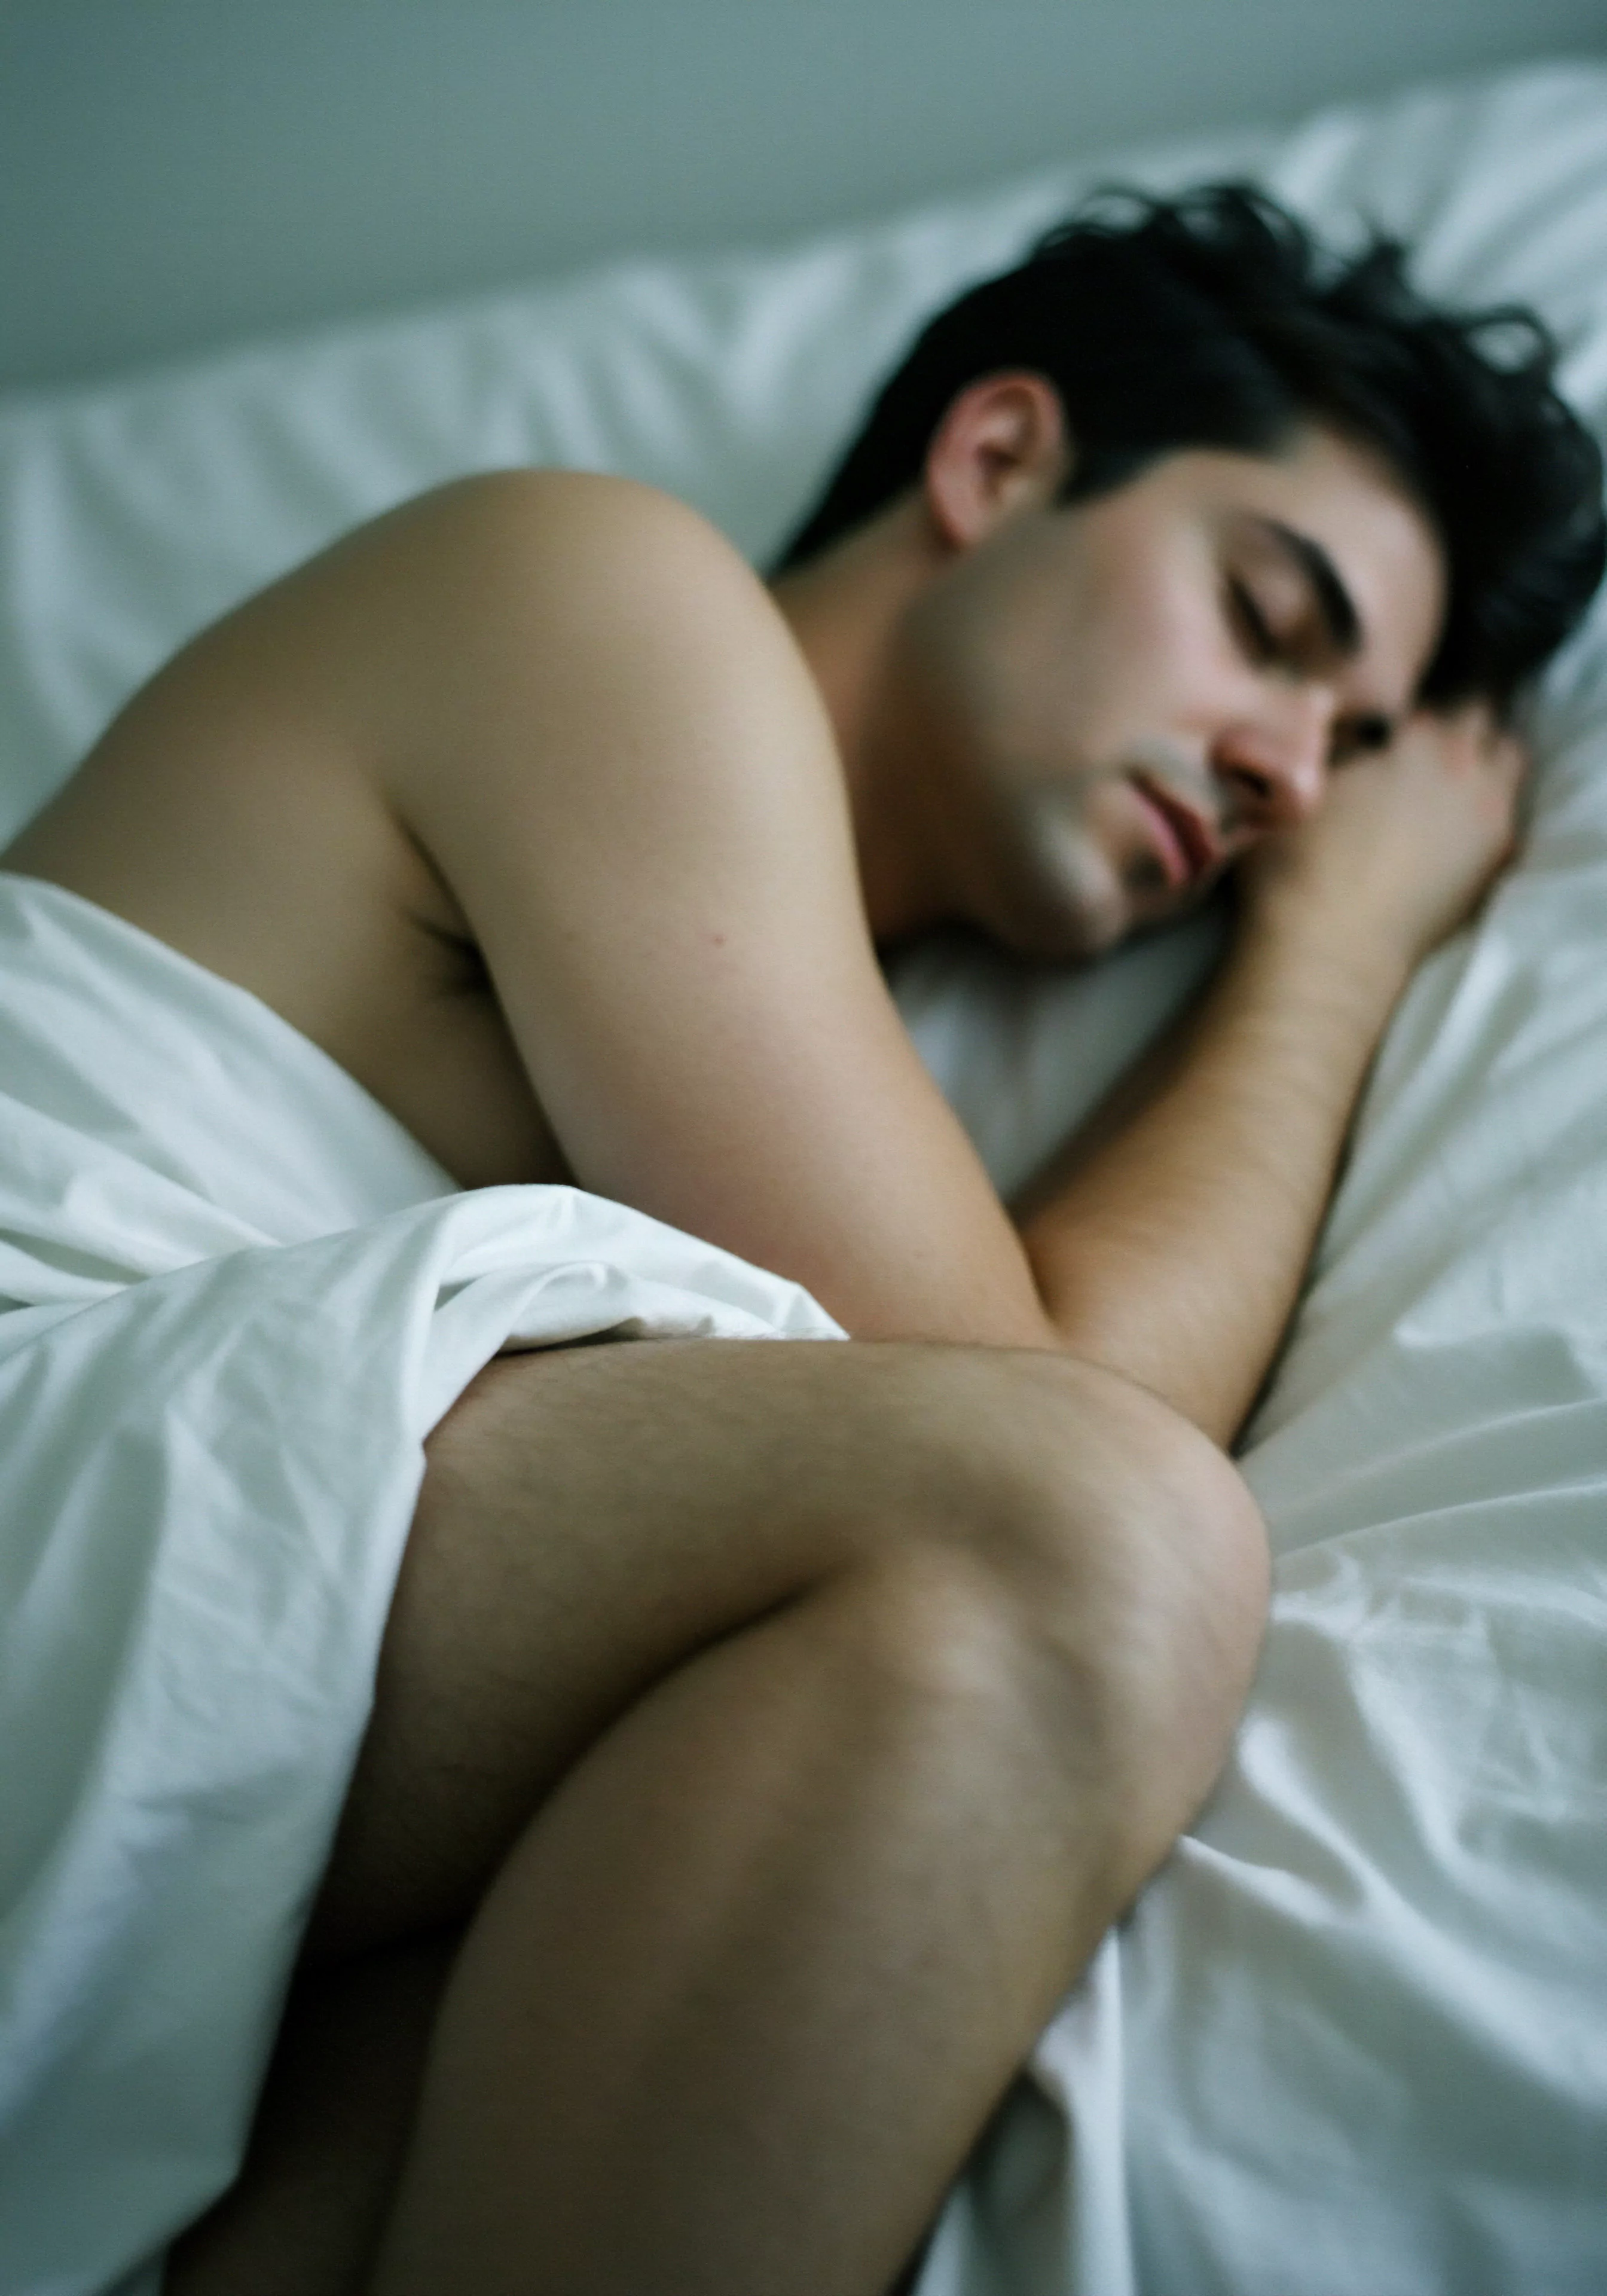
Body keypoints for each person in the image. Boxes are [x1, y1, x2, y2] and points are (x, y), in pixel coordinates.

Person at [4, 186, 1602, 2296]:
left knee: (679, 1875)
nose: (1290, 774)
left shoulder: (792, 1046)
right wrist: (1336, 951)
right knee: (1090, 1542)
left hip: (156, 1633)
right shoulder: (596, 589)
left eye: (1340, 751)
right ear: (999, 457)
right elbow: (1054, 1434)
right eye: (1268, 621)